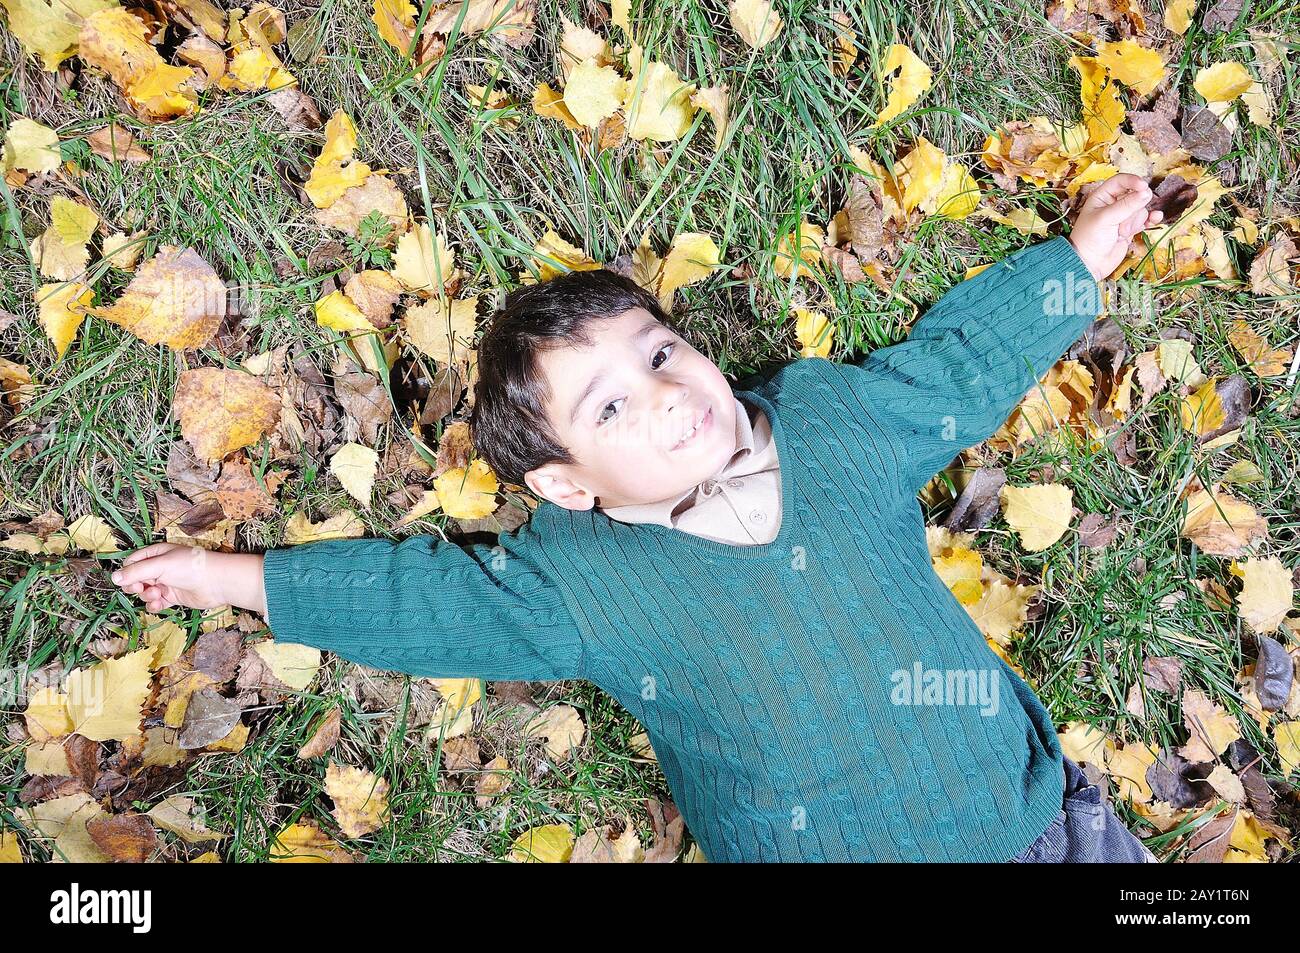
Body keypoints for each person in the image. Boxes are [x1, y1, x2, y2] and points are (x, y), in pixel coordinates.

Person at [112, 173, 1164, 862]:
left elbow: (954, 371)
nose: (666, 392)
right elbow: (420, 596)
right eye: (609, 405)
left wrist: (1073, 265)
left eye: (659, 352)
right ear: (571, 485)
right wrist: (233, 579)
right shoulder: (582, 580)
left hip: (1034, 825)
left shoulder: (832, 421)